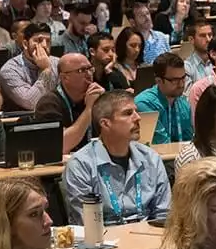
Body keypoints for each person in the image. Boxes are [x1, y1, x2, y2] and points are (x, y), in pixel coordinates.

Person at [61, 90, 171, 225]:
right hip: (104, 241)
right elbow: (87, 224)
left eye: (135, 111)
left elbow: (163, 215)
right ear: (105, 123)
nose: (138, 118)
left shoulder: (151, 158)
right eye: (128, 113)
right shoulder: (81, 165)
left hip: (150, 239)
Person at [35, 51, 105, 154]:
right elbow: (60, 146)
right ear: (64, 77)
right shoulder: (49, 104)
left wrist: (105, 103)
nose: (89, 74)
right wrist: (89, 109)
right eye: (81, 70)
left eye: (90, 69)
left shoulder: (97, 97)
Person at [134, 51, 194, 146]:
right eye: (175, 80)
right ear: (159, 81)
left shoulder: (183, 104)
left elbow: (190, 140)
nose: (182, 84)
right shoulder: (144, 104)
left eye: (183, 78)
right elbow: (161, 145)